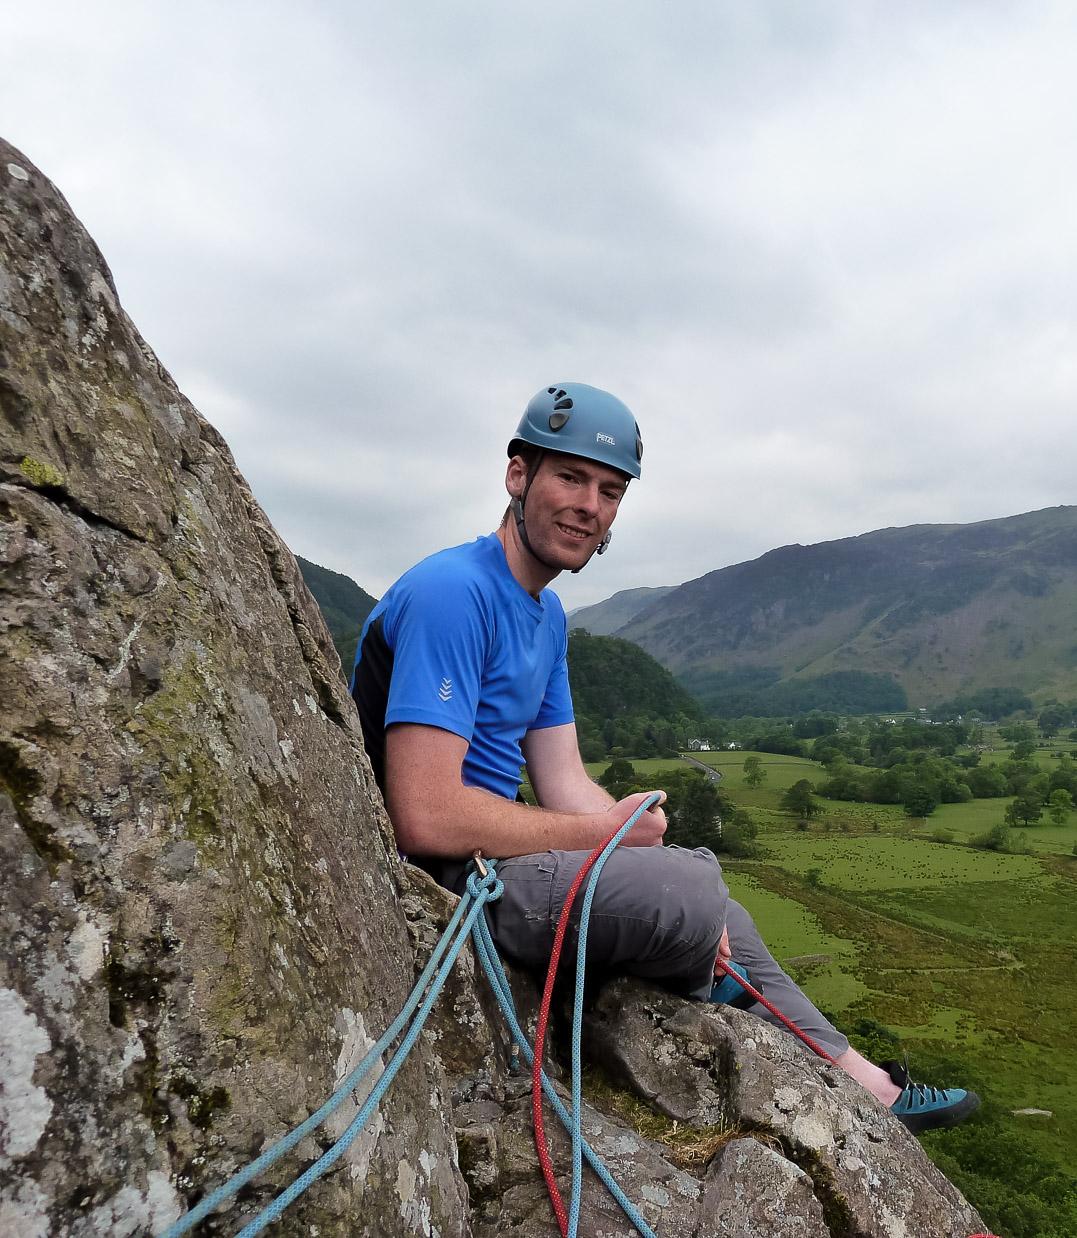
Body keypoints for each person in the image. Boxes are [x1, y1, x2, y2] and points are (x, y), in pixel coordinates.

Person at [349, 382, 977, 1134]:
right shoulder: (454, 592)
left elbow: (564, 779)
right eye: (570, 478)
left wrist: (636, 836)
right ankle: (696, 946)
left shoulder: (545, 615)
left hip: (498, 864)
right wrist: (615, 846)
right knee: (691, 893)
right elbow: (422, 814)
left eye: (610, 490)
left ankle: (867, 1084)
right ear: (519, 475)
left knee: (710, 897)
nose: (589, 504)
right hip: (454, 883)